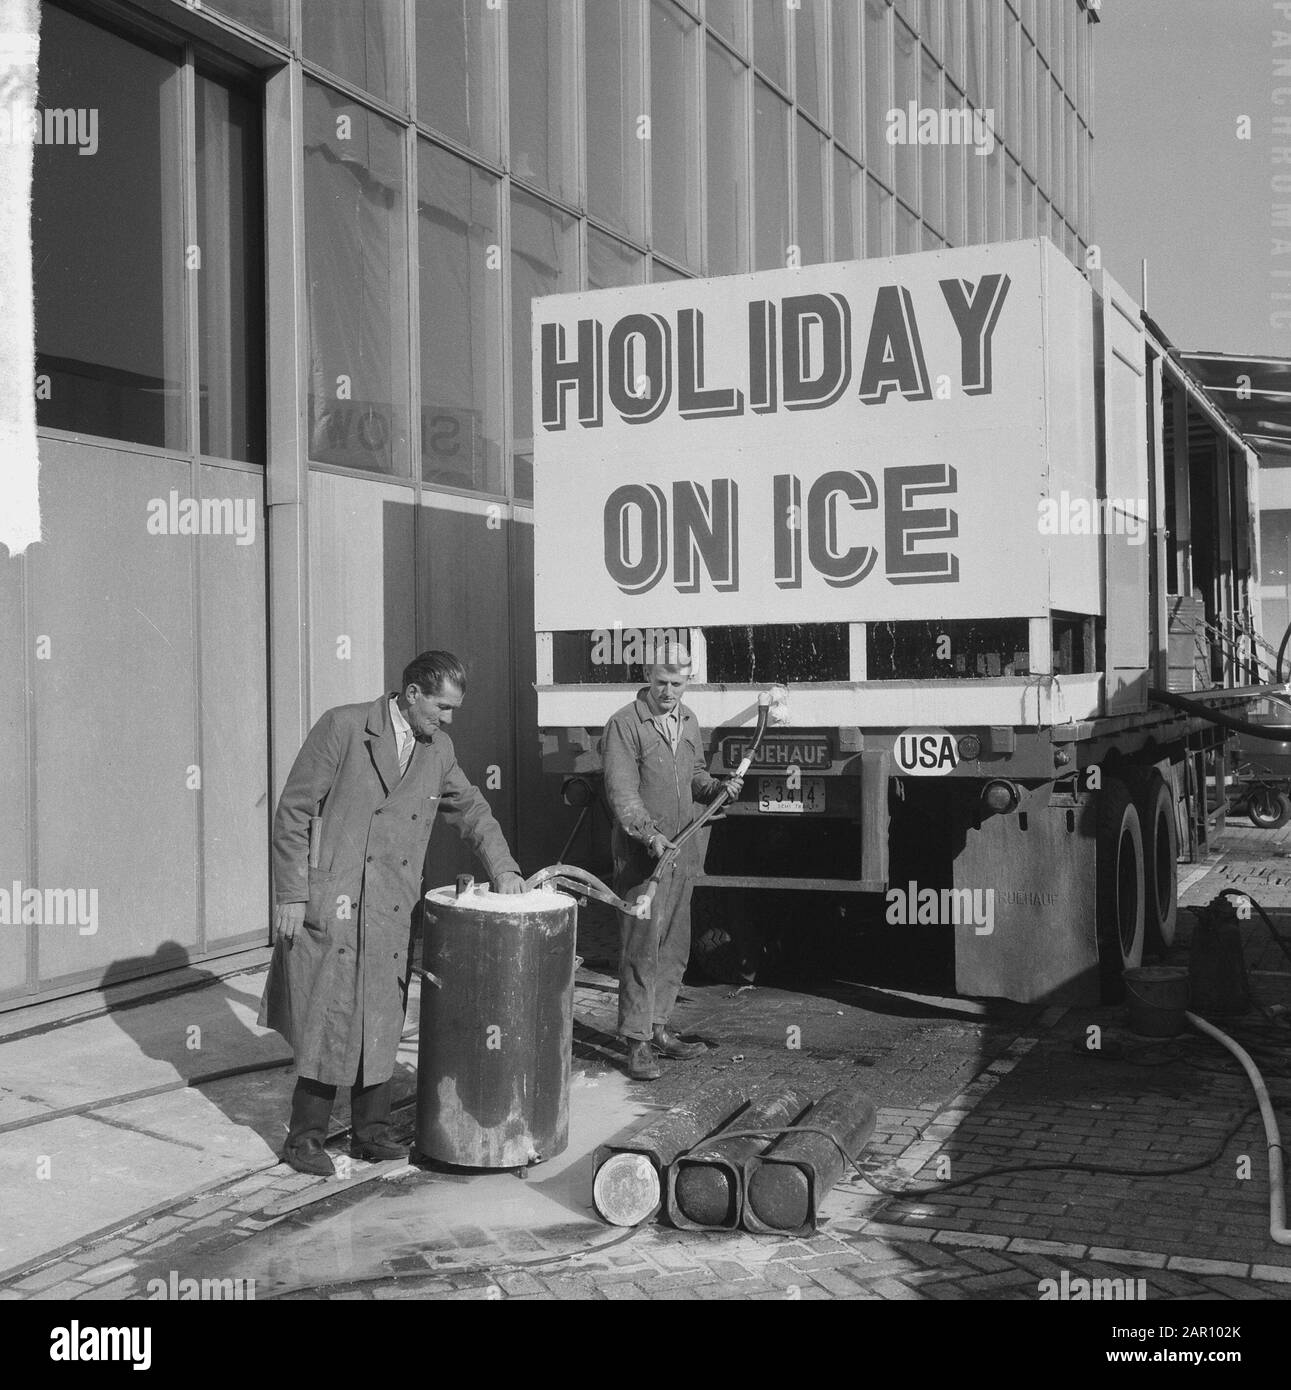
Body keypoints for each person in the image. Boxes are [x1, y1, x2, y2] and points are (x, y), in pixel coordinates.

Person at [259, 650, 524, 1175]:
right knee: (329, 1015)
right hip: (336, 901)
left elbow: (470, 809)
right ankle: (304, 1140)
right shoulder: (344, 726)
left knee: (380, 1014)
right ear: (412, 695)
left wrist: (505, 868)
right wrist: (291, 893)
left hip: (392, 904)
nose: (447, 720)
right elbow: (293, 810)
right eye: (441, 708)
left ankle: (371, 1133)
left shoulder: (437, 749)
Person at [601, 643, 742, 1080]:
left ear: (688, 681)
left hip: (684, 850)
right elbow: (622, 792)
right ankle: (636, 1042)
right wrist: (649, 834)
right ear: (648, 675)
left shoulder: (689, 720)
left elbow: (694, 775)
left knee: (675, 944)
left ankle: (660, 1028)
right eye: (660, 682)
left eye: (676, 684)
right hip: (645, 856)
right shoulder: (625, 724)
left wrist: (717, 788)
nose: (667, 692)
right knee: (640, 947)